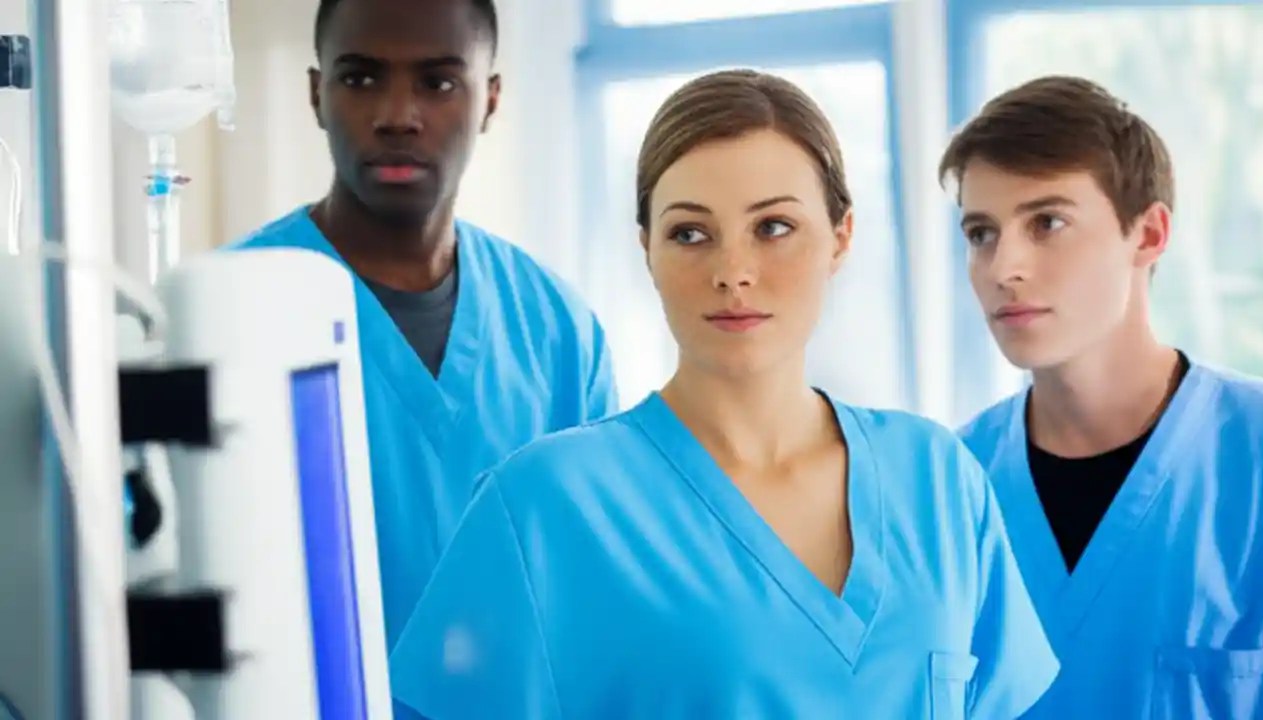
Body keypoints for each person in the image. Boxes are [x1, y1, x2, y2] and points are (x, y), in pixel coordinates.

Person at [387, 69, 1057, 720]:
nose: (733, 273)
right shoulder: (543, 503)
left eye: (772, 228)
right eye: (690, 234)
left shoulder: (937, 479)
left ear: (840, 237)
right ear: (648, 250)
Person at [227, 0, 617, 649]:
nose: (397, 117)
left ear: (490, 100)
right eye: (360, 78)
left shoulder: (558, 334)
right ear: (316, 94)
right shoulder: (230, 310)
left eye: (437, 83)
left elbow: (592, 601)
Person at [941, 75, 1263, 719]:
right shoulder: (951, 488)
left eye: (1047, 222)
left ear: (1148, 235)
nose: (1003, 266)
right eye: (981, 232)